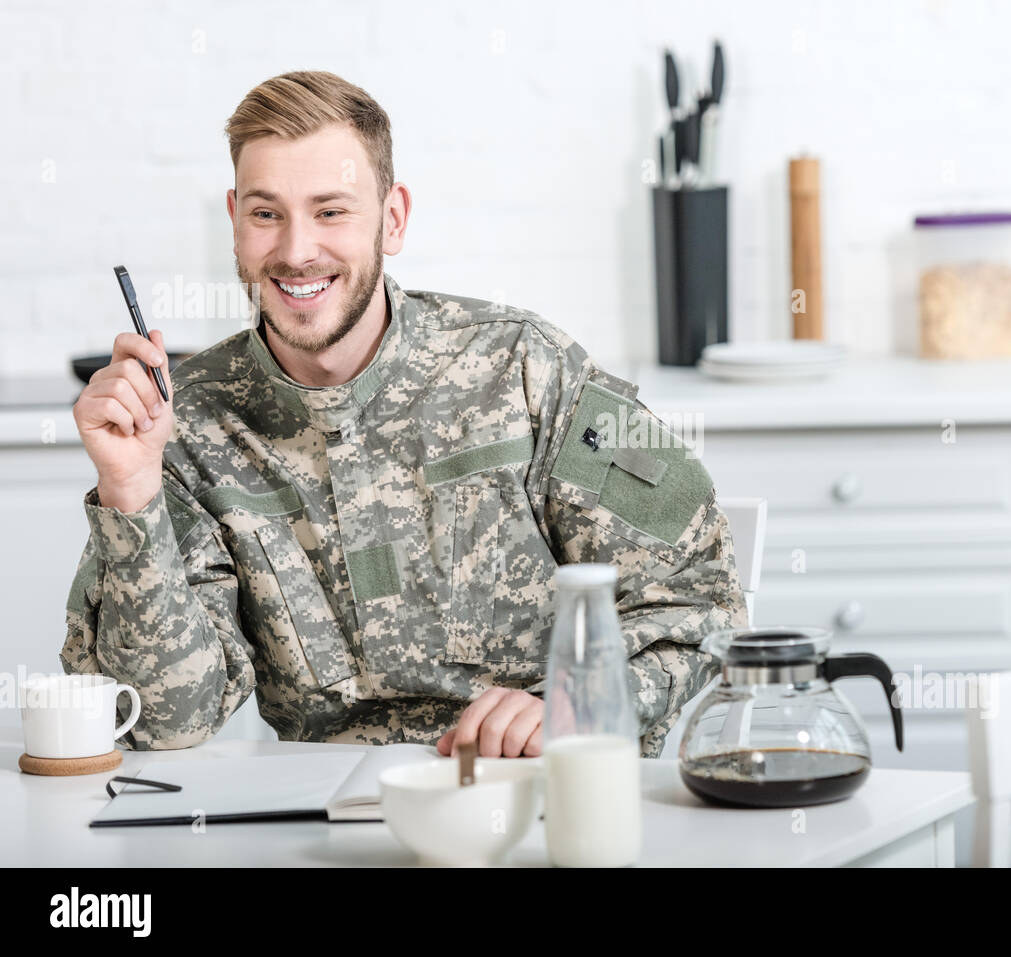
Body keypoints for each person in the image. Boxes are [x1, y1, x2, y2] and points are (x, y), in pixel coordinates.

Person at [61, 70, 747, 760]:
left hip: (537, 798)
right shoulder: (184, 420)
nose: (297, 250)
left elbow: (698, 606)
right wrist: (132, 490)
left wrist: (577, 709)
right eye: (267, 214)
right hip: (322, 828)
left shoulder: (524, 367)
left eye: (331, 211)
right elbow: (163, 721)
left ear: (393, 219)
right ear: (237, 219)